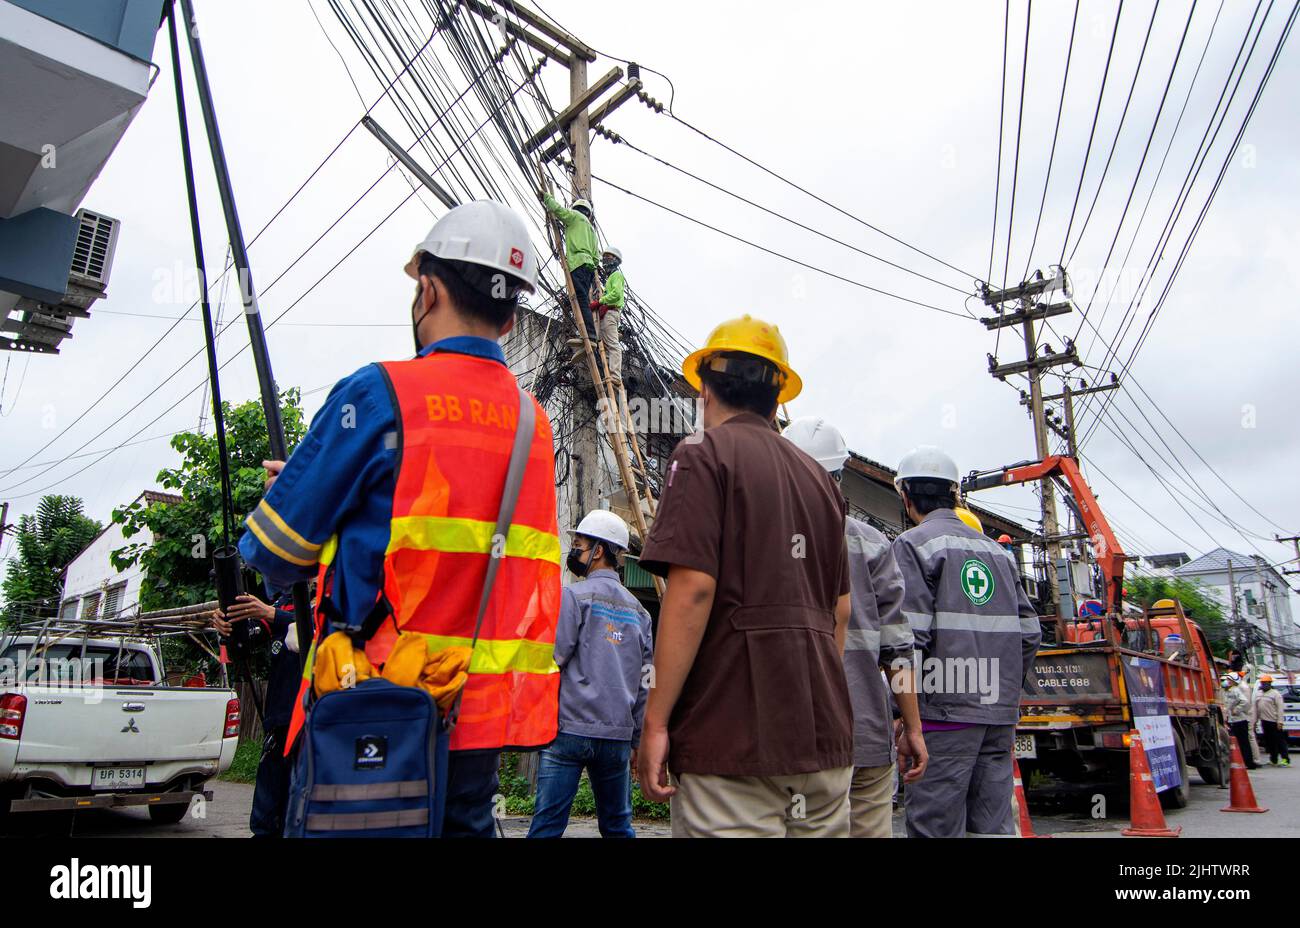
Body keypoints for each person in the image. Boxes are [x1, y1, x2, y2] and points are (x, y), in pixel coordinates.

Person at [238, 200, 561, 838]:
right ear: (512, 310)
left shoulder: (378, 392)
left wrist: (307, 496)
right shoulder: (534, 425)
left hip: (370, 703)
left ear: (429, 288)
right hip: (475, 721)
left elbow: (271, 554)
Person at [636, 315, 855, 838]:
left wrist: (656, 721)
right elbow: (840, 611)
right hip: (823, 741)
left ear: (705, 389)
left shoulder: (701, 456)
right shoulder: (821, 482)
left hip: (730, 747)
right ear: (777, 398)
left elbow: (692, 591)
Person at [783, 416, 927, 838]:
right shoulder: (872, 543)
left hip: (796, 738)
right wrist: (913, 728)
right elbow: (898, 650)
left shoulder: (763, 538)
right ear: (840, 476)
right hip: (865, 734)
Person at [890, 445, 1041, 838]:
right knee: (991, 828)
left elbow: (908, 642)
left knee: (936, 827)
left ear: (905, 496)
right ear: (955, 494)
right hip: (999, 713)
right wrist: (1003, 689)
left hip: (944, 714)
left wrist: (904, 716)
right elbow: (1030, 633)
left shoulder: (913, 545)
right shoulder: (1000, 554)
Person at [527, 510, 653, 838]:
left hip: (569, 731)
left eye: (579, 544)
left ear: (598, 551)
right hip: (617, 738)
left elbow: (554, 659)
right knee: (617, 828)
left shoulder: (574, 596)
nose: (575, 551)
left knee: (547, 828)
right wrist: (638, 740)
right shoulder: (640, 613)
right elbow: (644, 685)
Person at [212, 591, 301, 836]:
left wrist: (272, 614)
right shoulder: (286, 601)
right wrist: (229, 626)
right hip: (279, 721)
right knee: (266, 811)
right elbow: (248, 637)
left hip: (314, 722)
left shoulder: (335, 594)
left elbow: (323, 627)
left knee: (302, 809)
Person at [541, 192, 601, 361]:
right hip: (589, 266)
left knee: (580, 300)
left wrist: (546, 197)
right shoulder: (591, 230)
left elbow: (559, 211)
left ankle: (589, 336)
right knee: (583, 300)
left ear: (577, 209)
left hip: (578, 263)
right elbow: (597, 257)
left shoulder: (575, 217)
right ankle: (587, 336)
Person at [593, 247, 626, 384]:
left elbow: (617, 295)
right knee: (606, 344)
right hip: (609, 313)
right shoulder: (610, 278)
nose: (606, 259)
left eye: (609, 257)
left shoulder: (616, 275)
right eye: (605, 257)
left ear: (616, 261)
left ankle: (615, 376)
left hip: (611, 312)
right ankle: (609, 375)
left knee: (612, 345)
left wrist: (600, 302)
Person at [1221, 673, 1258, 769]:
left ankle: (1248, 762)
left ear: (1233, 681)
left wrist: (1236, 710)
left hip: (1240, 720)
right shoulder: (1227, 691)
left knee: (1243, 743)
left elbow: (1245, 702)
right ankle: (1242, 761)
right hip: (1232, 720)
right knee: (1237, 743)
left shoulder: (1236, 690)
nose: (1226, 681)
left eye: (1229, 679)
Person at [1253, 675, 1290, 766]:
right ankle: (1273, 759)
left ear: (1270, 684)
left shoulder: (1275, 694)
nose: (1264, 685)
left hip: (1274, 721)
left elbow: (1280, 708)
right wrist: (1254, 721)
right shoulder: (1259, 694)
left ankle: (1285, 759)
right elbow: (1256, 709)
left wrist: (1280, 721)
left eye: (1266, 683)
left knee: (1280, 741)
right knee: (1269, 741)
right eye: (1263, 683)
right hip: (1264, 721)